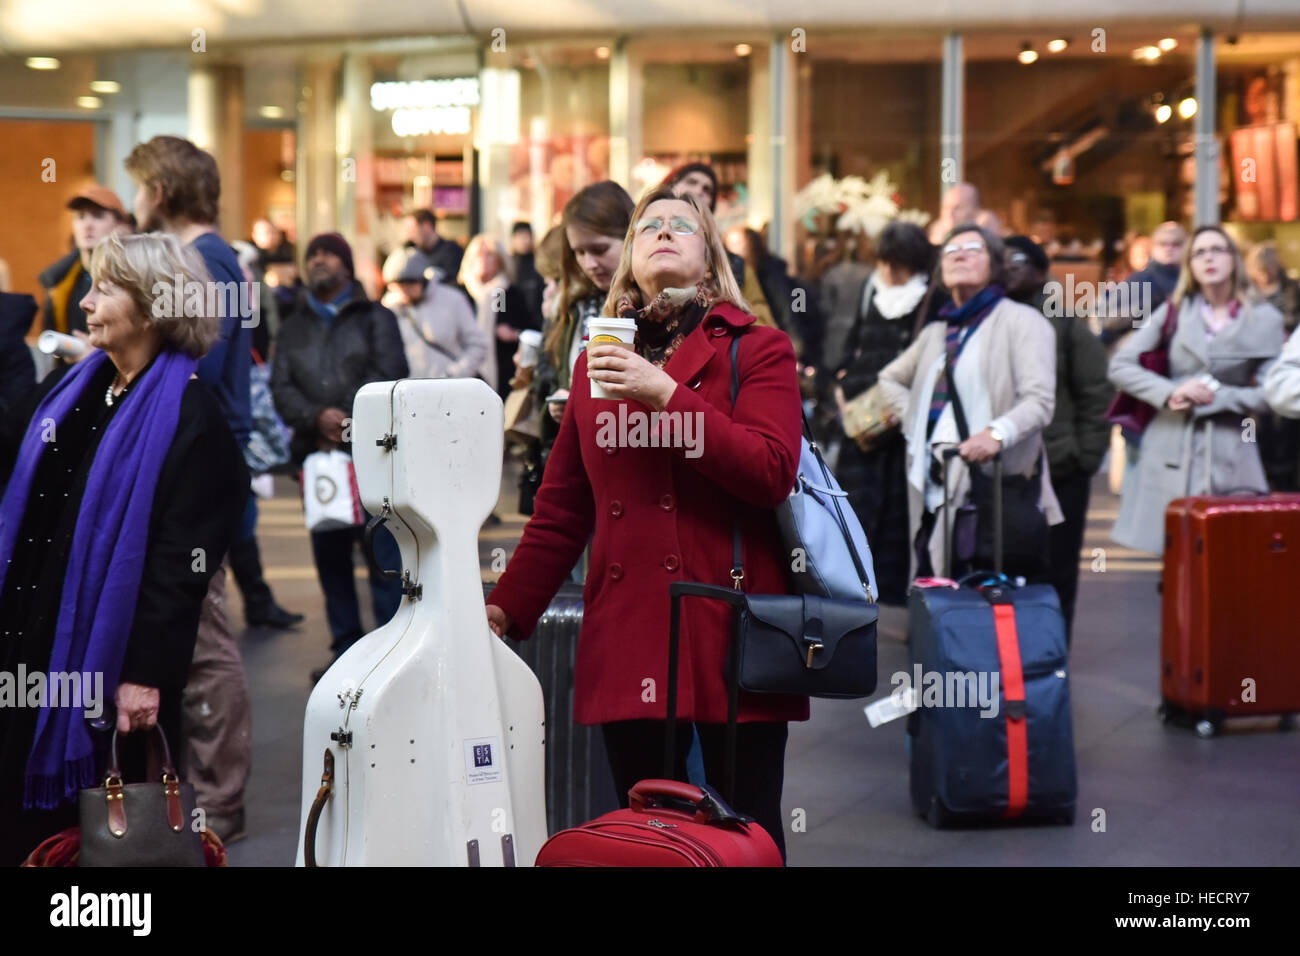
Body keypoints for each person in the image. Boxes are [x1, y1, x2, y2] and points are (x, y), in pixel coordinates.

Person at [485, 184, 805, 861]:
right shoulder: (593, 361)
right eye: (648, 226)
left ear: (712, 260)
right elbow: (563, 511)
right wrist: (504, 611)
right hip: (631, 627)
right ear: (629, 258)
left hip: (729, 624)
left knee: (746, 830)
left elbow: (769, 469)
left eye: (680, 226)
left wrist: (664, 395)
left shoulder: (759, 349)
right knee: (647, 835)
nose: (662, 231)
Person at [0, 233, 247, 865]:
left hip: (107, 666)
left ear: (155, 305)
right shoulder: (77, 389)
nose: (85, 302)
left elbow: (179, 568)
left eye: (105, 288)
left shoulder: (192, 418)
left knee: (87, 827)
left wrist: (143, 675)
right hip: (30, 638)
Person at [125, 134, 255, 843]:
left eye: (141, 187)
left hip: (196, 464)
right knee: (203, 632)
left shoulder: (202, 262)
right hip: (208, 459)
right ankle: (211, 795)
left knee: (203, 642)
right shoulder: (222, 258)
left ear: (162, 191)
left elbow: (196, 365)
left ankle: (217, 802)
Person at [878, 223, 1061, 581]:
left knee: (982, 596)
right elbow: (889, 379)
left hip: (992, 489)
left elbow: (1039, 400)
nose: (959, 254)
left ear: (994, 265)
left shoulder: (1022, 321)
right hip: (933, 482)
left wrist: (995, 434)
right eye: (950, 250)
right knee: (936, 590)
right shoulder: (938, 331)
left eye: (973, 249)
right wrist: (917, 421)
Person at [270, 233, 409, 679]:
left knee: (383, 556)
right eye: (312, 254)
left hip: (374, 458)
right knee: (330, 558)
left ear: (347, 266)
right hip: (319, 460)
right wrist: (316, 418)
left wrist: (345, 417)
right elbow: (280, 386)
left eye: (328, 253)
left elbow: (390, 373)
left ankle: (392, 656)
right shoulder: (293, 325)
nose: (318, 260)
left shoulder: (376, 318)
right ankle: (347, 654)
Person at [1108, 226, 1285, 554]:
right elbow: (1121, 366)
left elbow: (1273, 391)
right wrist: (1171, 391)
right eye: (1199, 253)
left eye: (1217, 250)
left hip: (1233, 447)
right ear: (1190, 265)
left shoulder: (1265, 320)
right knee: (1175, 558)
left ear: (1234, 259)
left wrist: (1217, 396)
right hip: (1170, 446)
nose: (1209, 258)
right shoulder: (1173, 313)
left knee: (1230, 560)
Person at [1004, 235, 1112, 641]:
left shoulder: (1063, 320)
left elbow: (1095, 389)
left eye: (1016, 261)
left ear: (1039, 270)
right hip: (1006, 466)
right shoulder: (990, 314)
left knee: (1058, 570)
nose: (1007, 268)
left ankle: (1051, 661)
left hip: (1062, 467)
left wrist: (1086, 456)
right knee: (1010, 567)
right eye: (1002, 260)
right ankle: (1011, 657)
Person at [834, 222, 942, 605]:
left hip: (901, 422)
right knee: (856, 507)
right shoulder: (870, 289)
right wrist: (841, 389)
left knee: (898, 511)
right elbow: (853, 345)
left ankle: (894, 592)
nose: (887, 271)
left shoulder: (931, 297)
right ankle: (856, 588)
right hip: (862, 421)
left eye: (894, 262)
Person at [534, 181, 636, 458]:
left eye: (600, 249)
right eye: (579, 252)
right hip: (577, 459)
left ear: (631, 238)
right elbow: (547, 379)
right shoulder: (570, 307)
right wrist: (557, 401)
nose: (590, 263)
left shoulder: (656, 308)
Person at [725, 225, 826, 374]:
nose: (734, 249)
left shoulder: (768, 274)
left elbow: (787, 312)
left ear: (752, 245)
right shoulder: (743, 274)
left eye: (738, 243)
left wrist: (794, 352)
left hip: (780, 346)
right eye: (729, 244)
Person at [39, 184, 130, 339]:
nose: (87, 225)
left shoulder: (132, 279)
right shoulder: (60, 282)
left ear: (120, 225)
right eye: (80, 217)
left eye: (98, 216)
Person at [1244, 243, 1300, 490]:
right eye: (1260, 271)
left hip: (1283, 357)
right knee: (1259, 426)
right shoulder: (1246, 294)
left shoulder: (1292, 290)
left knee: (1286, 429)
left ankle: (1282, 472)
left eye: (1268, 270)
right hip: (1259, 369)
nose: (1265, 276)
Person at [384, 250, 488, 380]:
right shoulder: (388, 307)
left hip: (449, 387)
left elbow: (477, 345)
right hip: (408, 391)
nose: (404, 293)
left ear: (421, 281)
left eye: (409, 286)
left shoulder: (452, 300)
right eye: (398, 287)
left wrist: (454, 374)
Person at [457, 234, 538, 396]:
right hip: (463, 368)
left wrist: (514, 334)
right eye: (478, 254)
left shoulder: (502, 292)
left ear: (500, 261)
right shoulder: (460, 293)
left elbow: (518, 324)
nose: (483, 259)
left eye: (489, 255)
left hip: (502, 371)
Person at [1101, 221, 1186, 347]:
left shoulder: (1189, 280)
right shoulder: (1141, 280)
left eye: (1176, 244)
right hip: (1139, 353)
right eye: (1163, 243)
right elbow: (1110, 323)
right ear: (1154, 247)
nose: (1169, 248)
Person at [662, 161, 746, 289]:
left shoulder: (732, 263)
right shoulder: (643, 236)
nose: (698, 191)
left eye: (707, 190)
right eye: (691, 182)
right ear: (672, 186)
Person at [403, 208, 464, 289]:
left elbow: (455, 283)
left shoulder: (452, 251)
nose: (409, 236)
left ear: (427, 226)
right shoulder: (412, 252)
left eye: (412, 230)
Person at [509, 221, 545, 328]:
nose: (524, 240)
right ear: (513, 238)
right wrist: (501, 321)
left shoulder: (539, 264)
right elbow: (499, 292)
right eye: (520, 236)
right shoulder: (507, 264)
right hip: (510, 328)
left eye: (527, 236)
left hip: (534, 326)